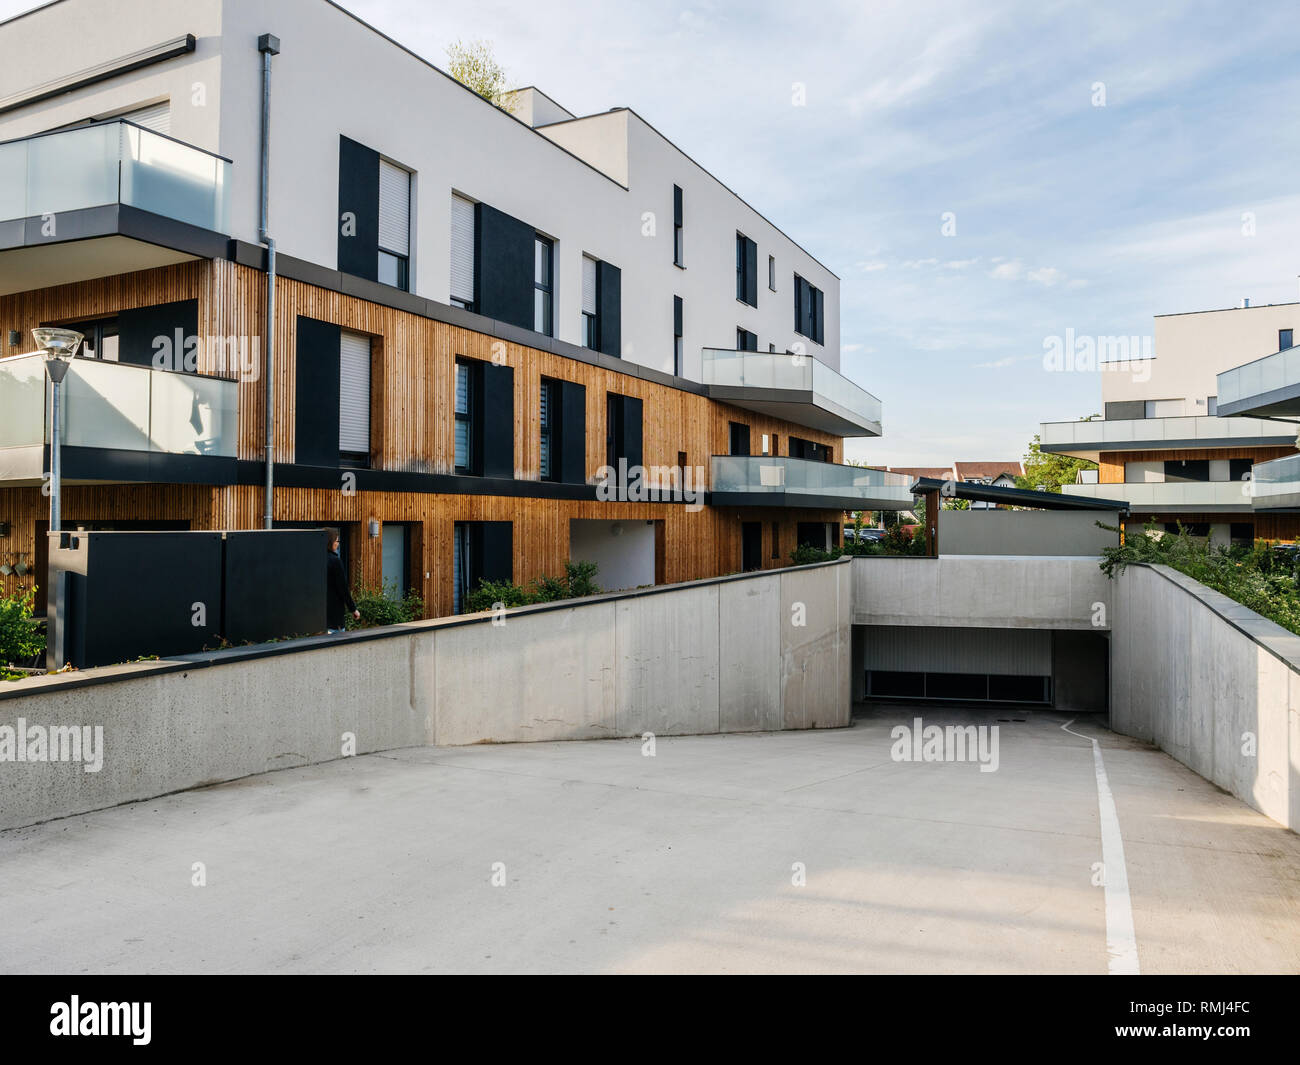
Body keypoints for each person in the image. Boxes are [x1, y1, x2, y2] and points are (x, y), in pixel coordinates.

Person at [325, 528, 359, 634]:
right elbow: (343, 588)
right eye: (337, 541)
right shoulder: (335, 561)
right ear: (330, 542)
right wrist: (353, 609)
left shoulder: (315, 559)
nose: (338, 544)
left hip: (317, 616)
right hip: (334, 616)